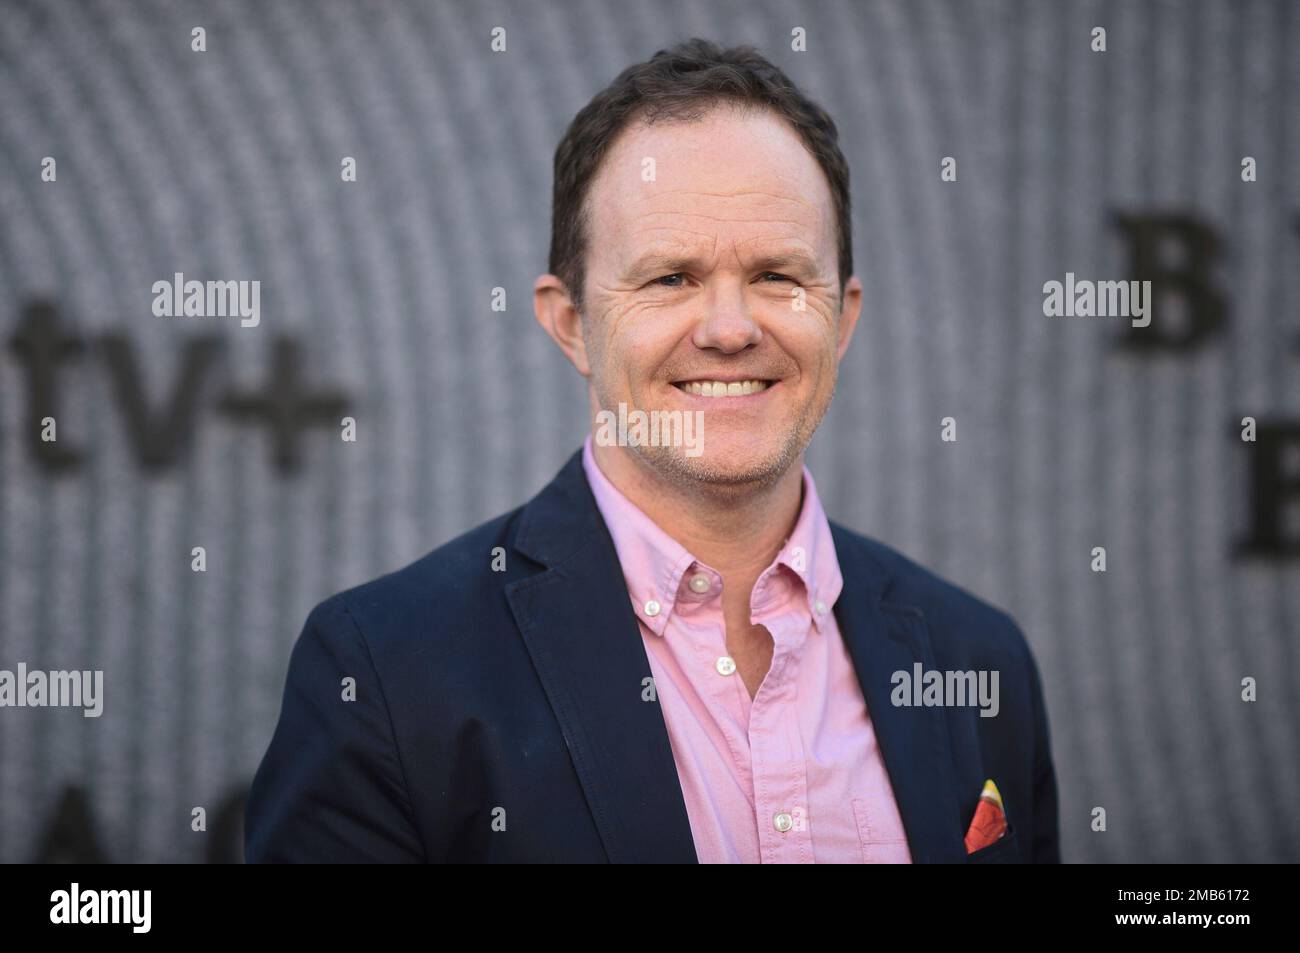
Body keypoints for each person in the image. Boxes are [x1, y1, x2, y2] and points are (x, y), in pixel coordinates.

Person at [245, 38, 1060, 864]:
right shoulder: (386, 672)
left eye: (780, 274)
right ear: (571, 325)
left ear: (842, 318)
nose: (730, 329)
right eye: (670, 278)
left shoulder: (976, 658)